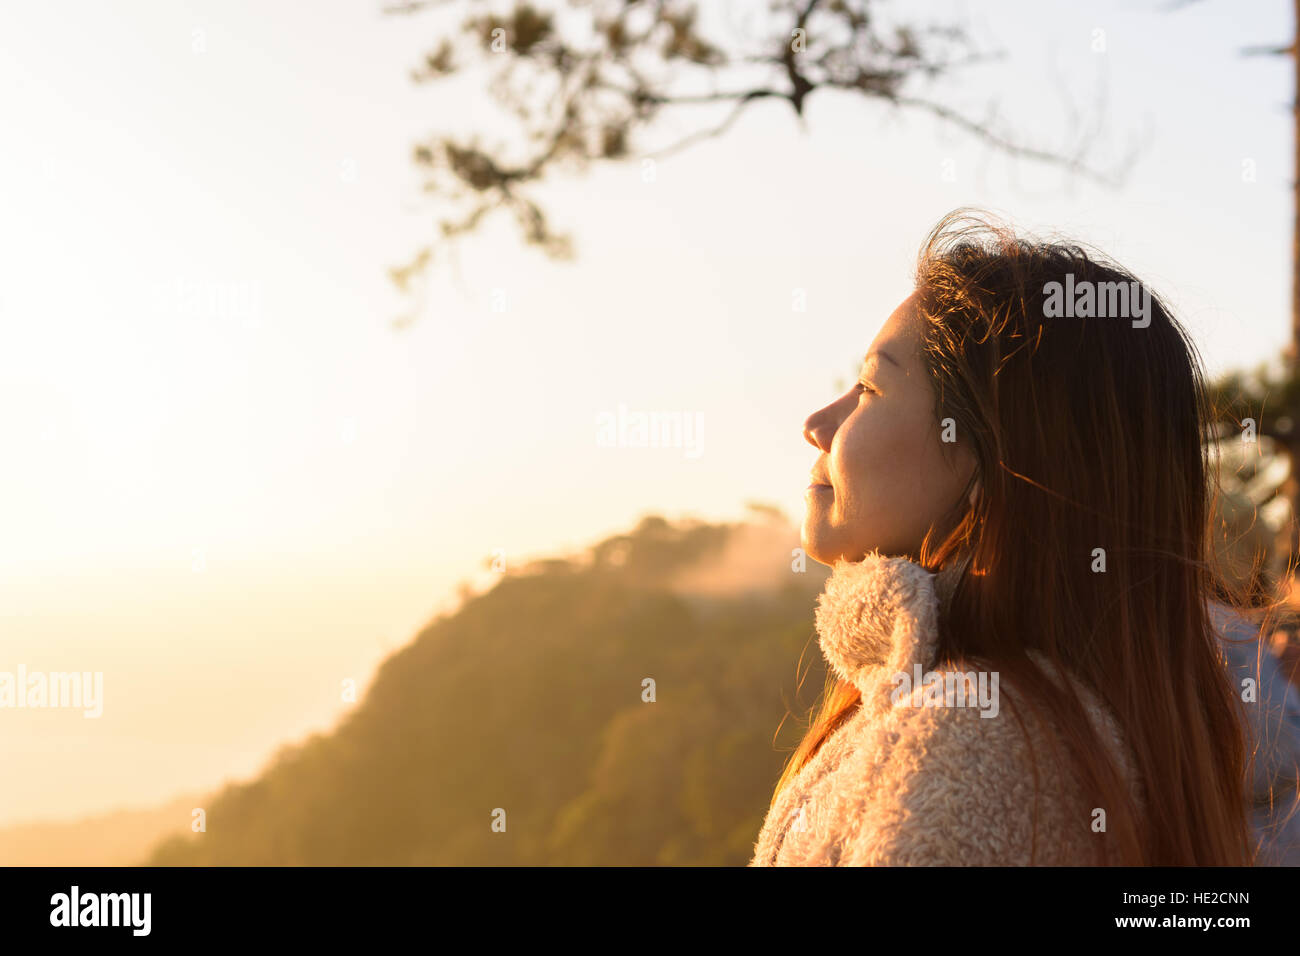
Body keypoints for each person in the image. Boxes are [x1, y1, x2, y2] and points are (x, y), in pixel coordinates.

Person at [751, 210, 1255, 866]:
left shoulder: (977, 741)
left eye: (871, 387)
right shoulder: (988, 717)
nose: (819, 423)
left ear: (992, 457)